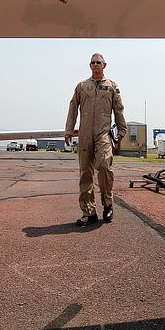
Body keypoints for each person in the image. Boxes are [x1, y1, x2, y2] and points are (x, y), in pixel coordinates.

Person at [65, 53, 126, 226]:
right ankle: (89, 212)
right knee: (85, 173)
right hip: (85, 134)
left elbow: (119, 110)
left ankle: (108, 204)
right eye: (92, 62)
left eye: (98, 62)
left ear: (104, 65)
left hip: (103, 133)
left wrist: (121, 130)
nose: (95, 64)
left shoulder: (112, 86)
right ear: (89, 65)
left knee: (104, 166)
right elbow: (72, 108)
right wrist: (69, 130)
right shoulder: (82, 86)